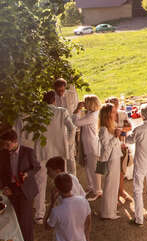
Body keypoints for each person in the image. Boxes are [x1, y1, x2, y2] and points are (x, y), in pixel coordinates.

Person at [0, 129, 39, 241]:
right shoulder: (3, 153)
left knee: (26, 223)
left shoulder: (28, 152)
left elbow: (36, 167)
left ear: (15, 142)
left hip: (25, 190)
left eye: (7, 144)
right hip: (12, 188)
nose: (5, 147)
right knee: (12, 219)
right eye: (4, 145)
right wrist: (5, 186)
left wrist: (27, 174)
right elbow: (2, 172)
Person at [38, 90, 77, 219]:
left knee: (41, 181)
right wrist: (69, 143)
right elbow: (72, 128)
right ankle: (67, 208)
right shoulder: (61, 111)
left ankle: (40, 213)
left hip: (43, 150)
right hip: (59, 150)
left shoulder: (38, 115)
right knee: (62, 180)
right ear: (54, 100)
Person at [45, 173, 90, 241]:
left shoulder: (57, 211)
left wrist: (51, 203)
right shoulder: (83, 201)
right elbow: (88, 218)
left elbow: (47, 226)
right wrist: (87, 234)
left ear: (57, 189)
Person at [95, 104, 124, 219]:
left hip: (115, 158)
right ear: (107, 114)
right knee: (110, 186)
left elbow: (113, 144)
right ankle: (107, 213)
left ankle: (111, 210)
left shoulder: (111, 126)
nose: (115, 113)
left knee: (114, 185)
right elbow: (106, 148)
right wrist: (116, 137)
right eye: (112, 112)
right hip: (110, 160)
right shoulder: (103, 129)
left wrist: (120, 143)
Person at [74, 94, 102, 197]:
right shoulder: (90, 113)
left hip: (91, 146)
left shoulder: (92, 116)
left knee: (94, 169)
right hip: (87, 144)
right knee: (88, 167)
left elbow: (76, 122)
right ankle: (91, 186)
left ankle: (97, 190)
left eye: (86, 102)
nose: (84, 103)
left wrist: (77, 110)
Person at [54, 78, 81, 169]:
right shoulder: (53, 96)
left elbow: (77, 110)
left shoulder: (71, 95)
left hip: (71, 127)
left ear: (65, 87)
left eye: (62, 90)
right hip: (59, 129)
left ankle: (73, 179)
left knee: (70, 155)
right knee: (62, 155)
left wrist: (75, 125)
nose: (60, 93)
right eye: (58, 91)